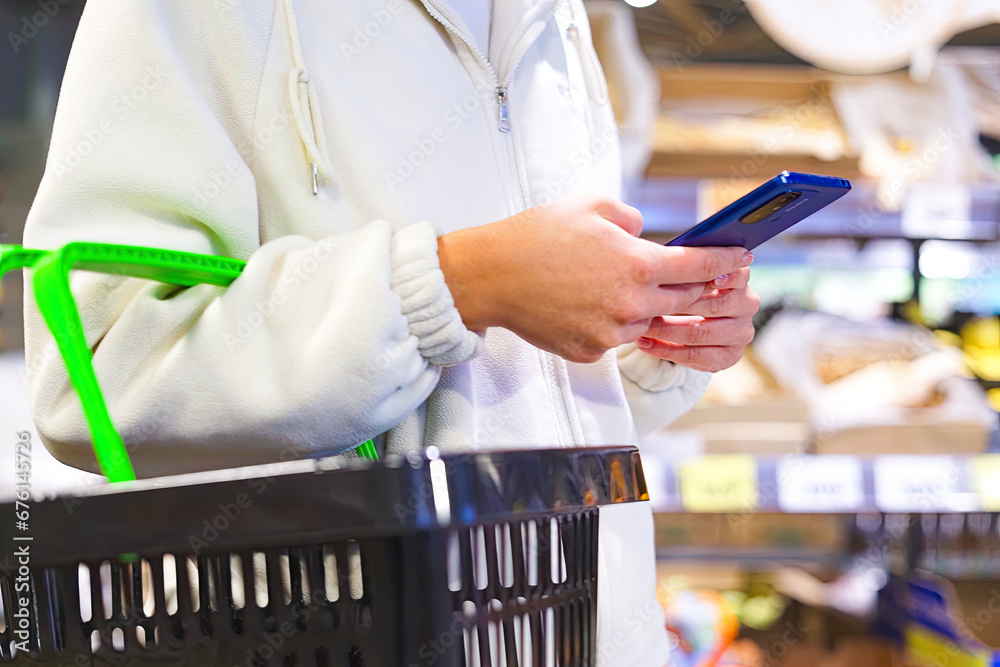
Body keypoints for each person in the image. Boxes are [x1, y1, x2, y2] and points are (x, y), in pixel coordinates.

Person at [22, 1, 758, 664]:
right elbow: (97, 374)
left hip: (578, 629)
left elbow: (507, 393)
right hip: (333, 633)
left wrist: (647, 337)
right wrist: (456, 284)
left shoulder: (554, 16)